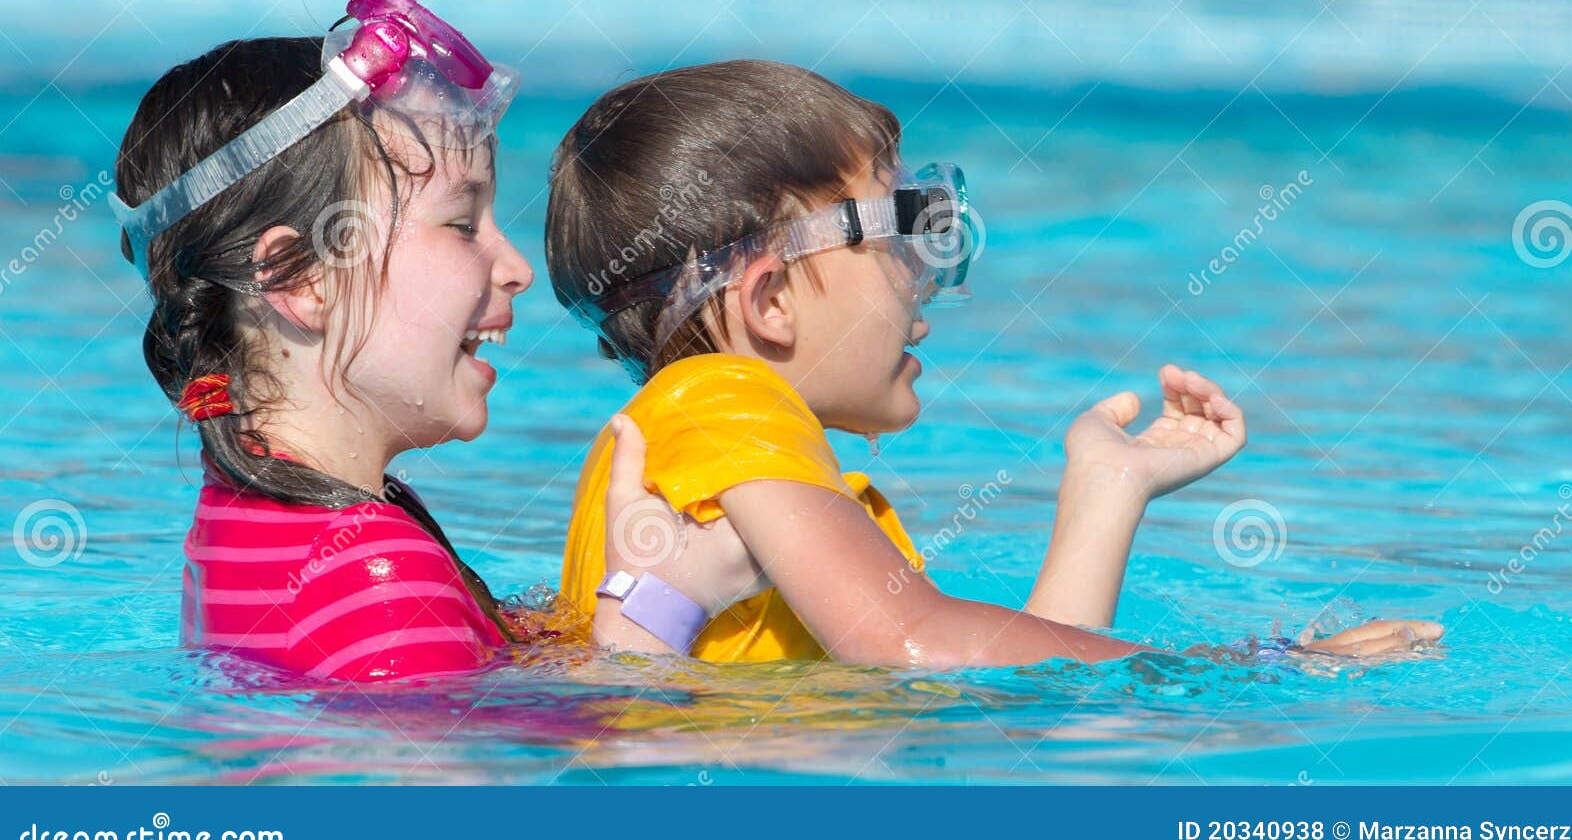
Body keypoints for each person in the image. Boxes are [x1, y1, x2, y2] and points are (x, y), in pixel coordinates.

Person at [544, 59, 1442, 667]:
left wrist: (1106, 495)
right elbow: (910, 642)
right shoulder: (721, 398)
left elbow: (1027, 682)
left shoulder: (714, 438)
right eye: (898, 240)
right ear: (771, 299)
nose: (923, 283)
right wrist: (1257, 669)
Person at [111, 0, 539, 681]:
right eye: (463, 224)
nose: (518, 269)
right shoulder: (379, 576)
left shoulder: (249, 512)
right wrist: (652, 613)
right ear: (301, 278)